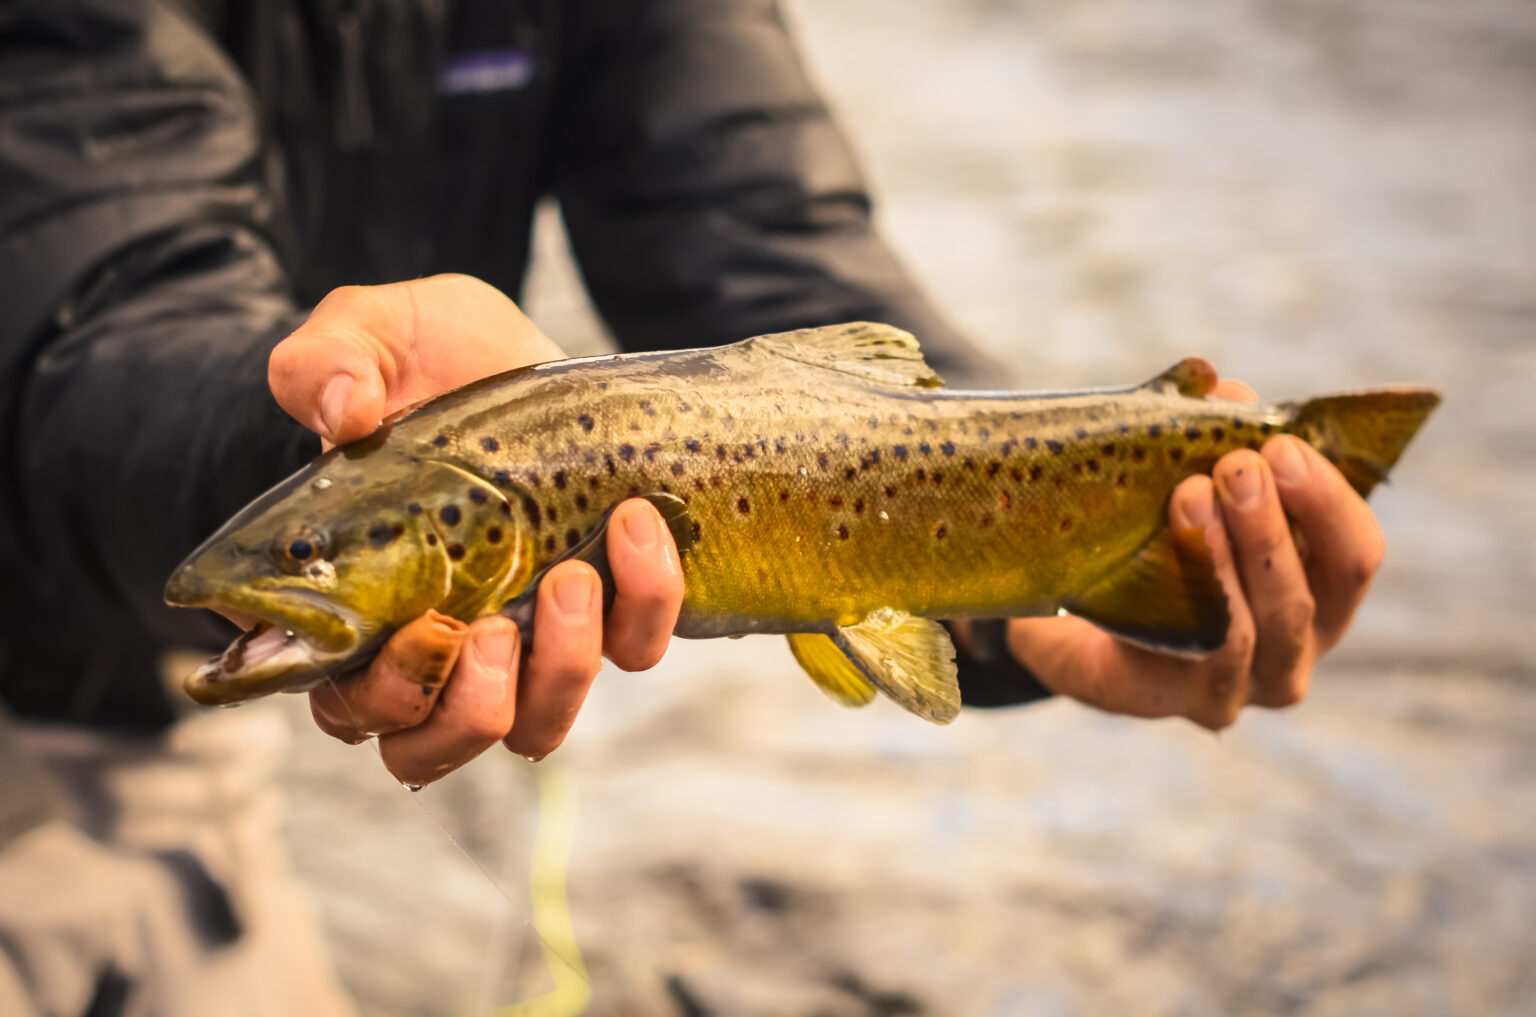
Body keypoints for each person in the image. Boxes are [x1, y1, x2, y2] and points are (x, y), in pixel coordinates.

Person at [0, 1, 1387, 1013]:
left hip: (154, 718)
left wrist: (1034, 593)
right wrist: (293, 449)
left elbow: (781, 283)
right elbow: (84, 337)